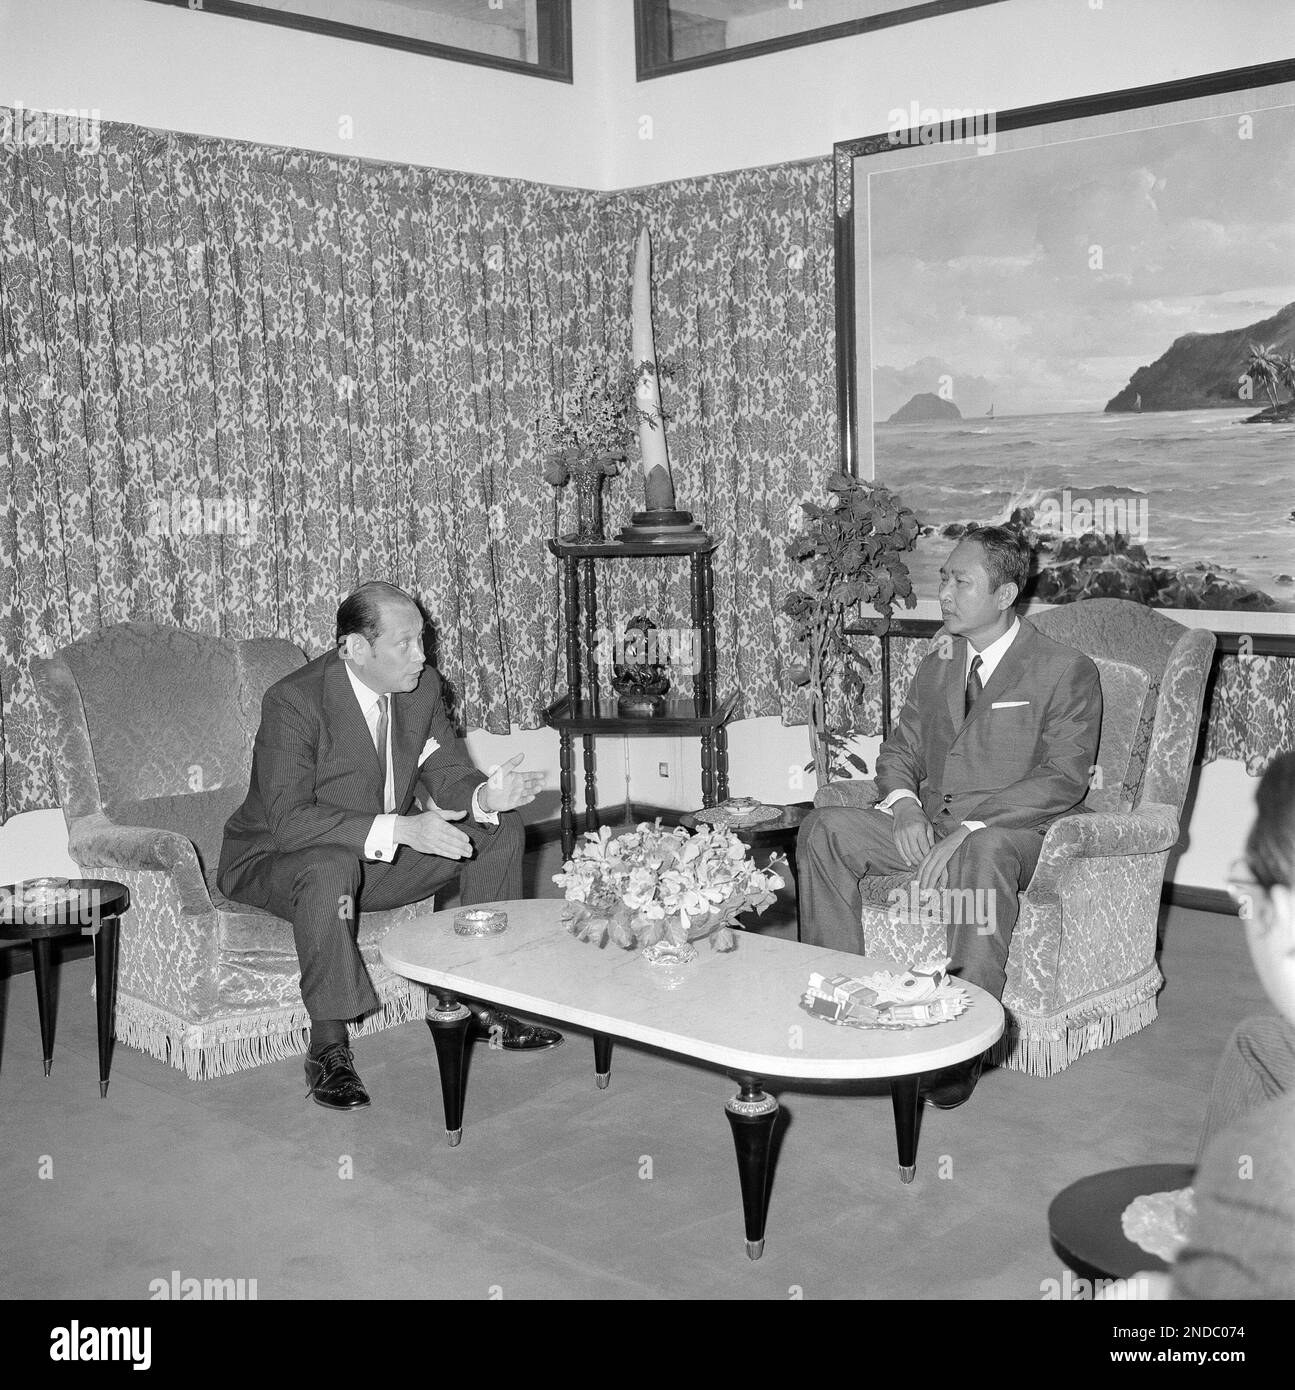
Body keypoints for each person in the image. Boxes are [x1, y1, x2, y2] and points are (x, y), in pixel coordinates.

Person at [218, 580, 561, 1112]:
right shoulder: (295, 701)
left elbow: (443, 770)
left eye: (422, 640)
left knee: (499, 827)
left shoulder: (422, 689)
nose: (421, 657)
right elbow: (289, 823)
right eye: (405, 644)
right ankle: (328, 1046)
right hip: (277, 861)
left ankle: (482, 1002)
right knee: (330, 865)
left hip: (372, 861)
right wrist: (403, 830)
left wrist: (482, 795)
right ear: (355, 648)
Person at [798, 524, 1102, 1108]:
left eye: (962, 581)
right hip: (930, 823)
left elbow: (1063, 777)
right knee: (825, 830)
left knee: (983, 852)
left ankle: (961, 1046)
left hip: (1013, 833)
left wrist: (971, 826)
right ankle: (838, 1000)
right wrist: (906, 806)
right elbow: (900, 750)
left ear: (1006, 595)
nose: (945, 592)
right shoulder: (939, 659)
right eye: (944, 577)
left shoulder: (1064, 668)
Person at [1167, 752, 1295, 1298]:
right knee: (1259, 1041)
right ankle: (1204, 1219)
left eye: (1248, 880)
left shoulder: (1274, 1165)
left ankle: (1220, 1244)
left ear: (1286, 911)